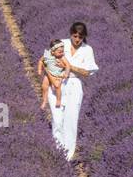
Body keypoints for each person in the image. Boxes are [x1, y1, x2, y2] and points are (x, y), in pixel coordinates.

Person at [44, 22, 98, 160]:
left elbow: (87, 72)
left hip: (74, 84)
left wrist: (70, 67)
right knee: (57, 119)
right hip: (57, 83)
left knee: (71, 120)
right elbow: (46, 60)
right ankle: (58, 150)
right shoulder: (62, 43)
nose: (77, 39)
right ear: (71, 34)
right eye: (75, 36)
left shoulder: (87, 50)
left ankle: (67, 156)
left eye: (80, 36)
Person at [39, 39, 70, 109]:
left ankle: (58, 100)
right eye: (60, 52)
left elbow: (68, 65)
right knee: (44, 86)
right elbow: (40, 61)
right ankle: (44, 100)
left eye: (63, 51)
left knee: (57, 86)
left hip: (58, 74)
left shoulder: (62, 57)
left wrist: (66, 73)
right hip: (49, 73)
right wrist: (39, 69)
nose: (62, 53)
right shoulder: (47, 56)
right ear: (52, 52)